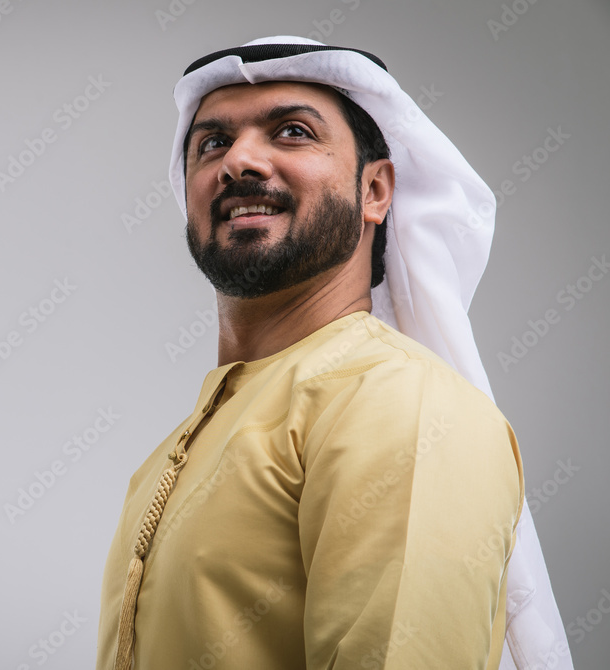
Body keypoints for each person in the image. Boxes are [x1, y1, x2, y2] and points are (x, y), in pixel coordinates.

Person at [97, 36, 573, 670]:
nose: (239, 160)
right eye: (212, 143)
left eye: (292, 132)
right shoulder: (178, 448)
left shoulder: (402, 405)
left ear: (375, 190)